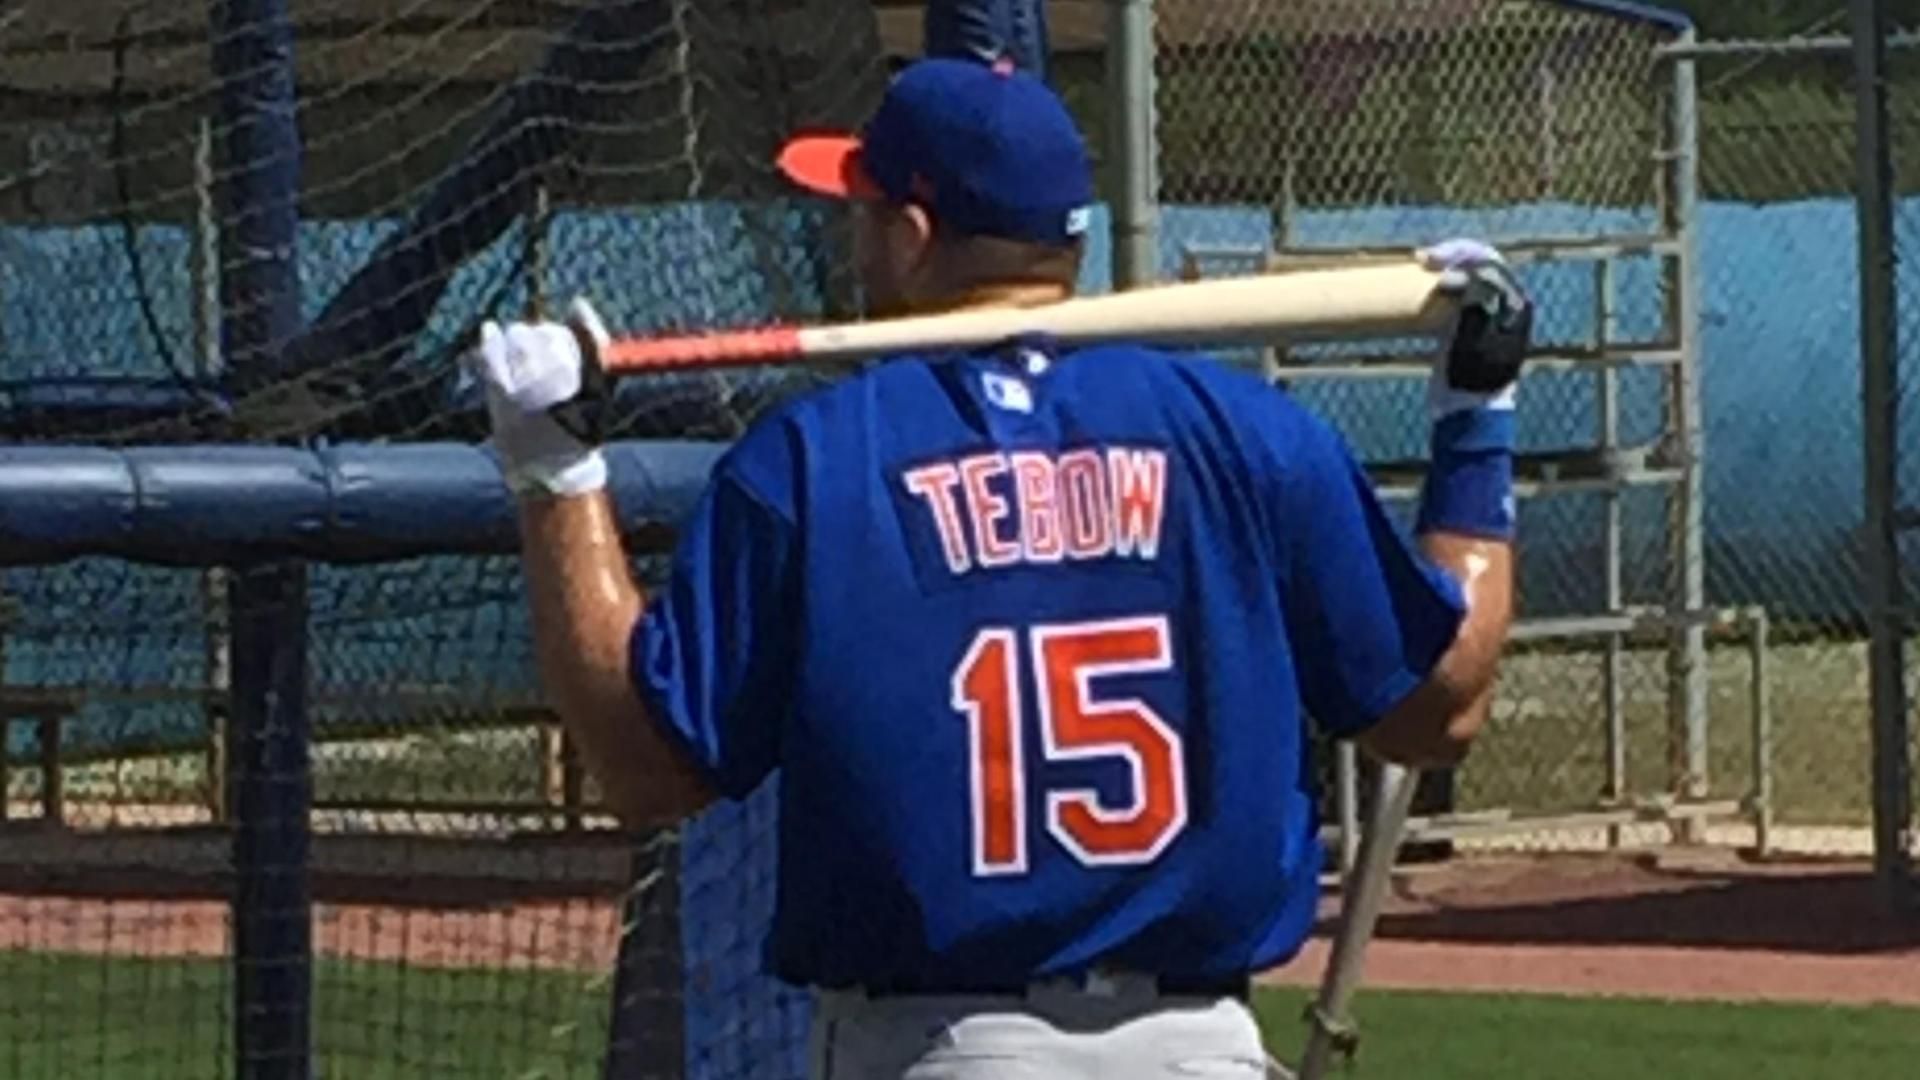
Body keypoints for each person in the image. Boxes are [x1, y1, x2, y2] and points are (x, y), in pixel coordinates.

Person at [467, 56, 1526, 1080]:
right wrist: (1477, 418)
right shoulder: (1250, 436)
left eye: (865, 210)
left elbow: (646, 767)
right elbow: (1440, 707)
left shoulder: (814, 462)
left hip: (938, 1048)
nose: (854, 235)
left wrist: (556, 475)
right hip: (1196, 1048)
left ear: (915, 235)